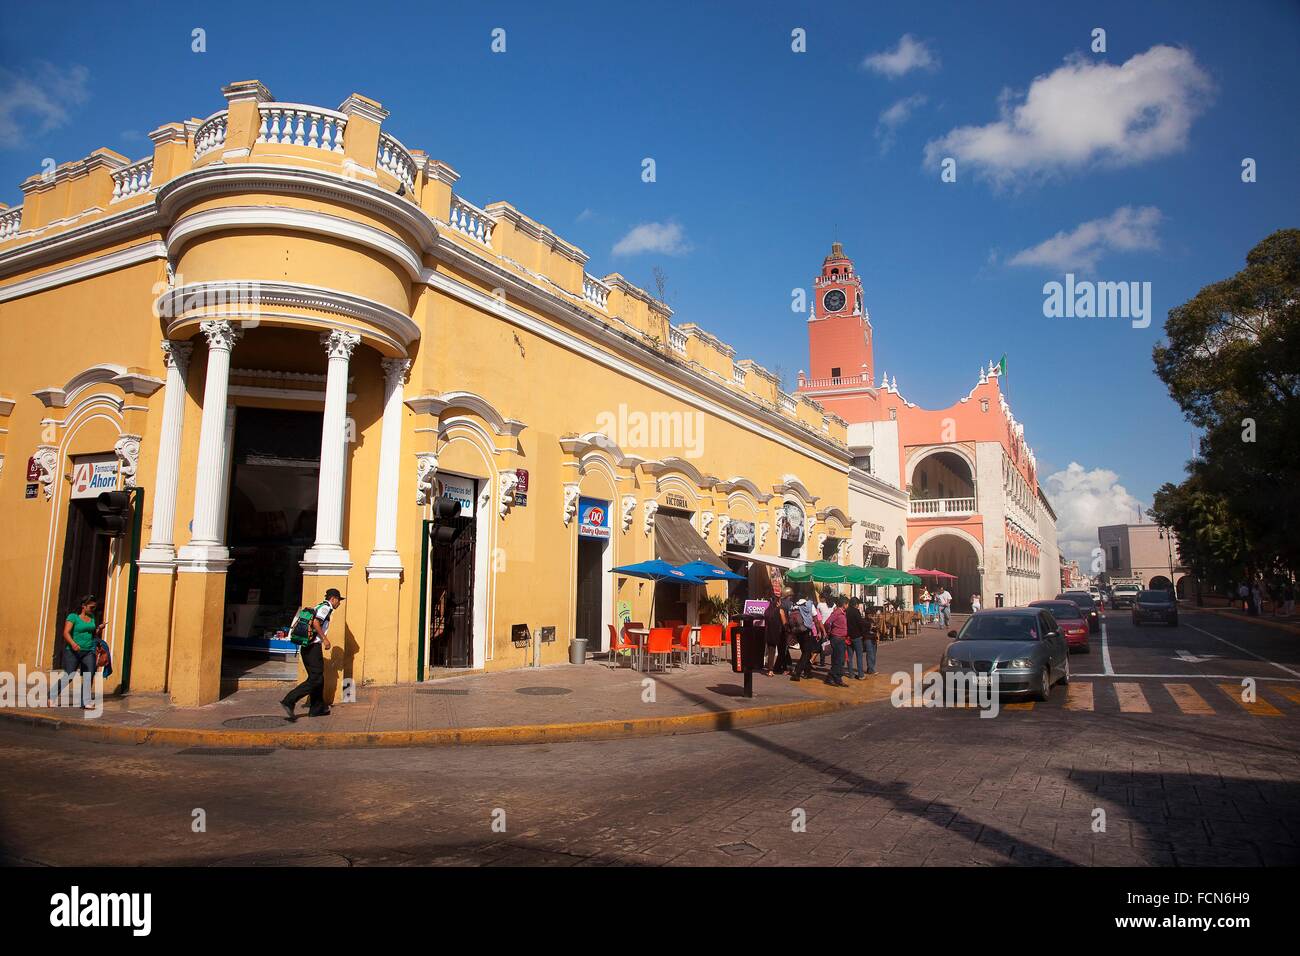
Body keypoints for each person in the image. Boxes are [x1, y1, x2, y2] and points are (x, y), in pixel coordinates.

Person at [281, 587, 342, 720]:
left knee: (318, 678)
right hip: (313, 647)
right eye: (339, 600)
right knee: (316, 679)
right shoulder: (325, 608)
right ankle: (289, 700)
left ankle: (317, 708)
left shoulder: (319, 606)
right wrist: (325, 639)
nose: (339, 603)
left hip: (307, 647)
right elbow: (315, 622)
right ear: (333, 599)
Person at [60, 594, 103, 709]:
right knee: (69, 675)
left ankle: (85, 701)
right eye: (91, 607)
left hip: (88, 650)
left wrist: (99, 629)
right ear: (83, 606)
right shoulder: (73, 617)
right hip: (73, 651)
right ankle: (52, 696)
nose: (93, 610)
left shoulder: (92, 617)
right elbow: (66, 632)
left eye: (94, 608)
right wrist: (73, 644)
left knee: (89, 674)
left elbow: (92, 632)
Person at [789, 597, 819, 682]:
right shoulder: (809, 605)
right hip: (806, 631)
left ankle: (807, 672)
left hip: (797, 632)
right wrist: (819, 631)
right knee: (806, 653)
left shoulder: (795, 606)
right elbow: (816, 619)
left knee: (805, 651)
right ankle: (797, 672)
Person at [823, 595, 850, 687]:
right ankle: (830, 677)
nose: (848, 606)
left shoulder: (842, 613)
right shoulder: (837, 613)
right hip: (837, 638)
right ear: (844, 604)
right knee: (838, 660)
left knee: (840, 660)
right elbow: (827, 622)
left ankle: (838, 678)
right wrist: (829, 631)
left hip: (841, 639)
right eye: (847, 604)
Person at [846, 596, 868, 679]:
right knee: (859, 656)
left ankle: (851, 673)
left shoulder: (847, 611)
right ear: (856, 604)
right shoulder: (856, 612)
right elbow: (860, 623)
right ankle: (861, 674)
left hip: (848, 636)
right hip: (856, 636)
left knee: (850, 656)